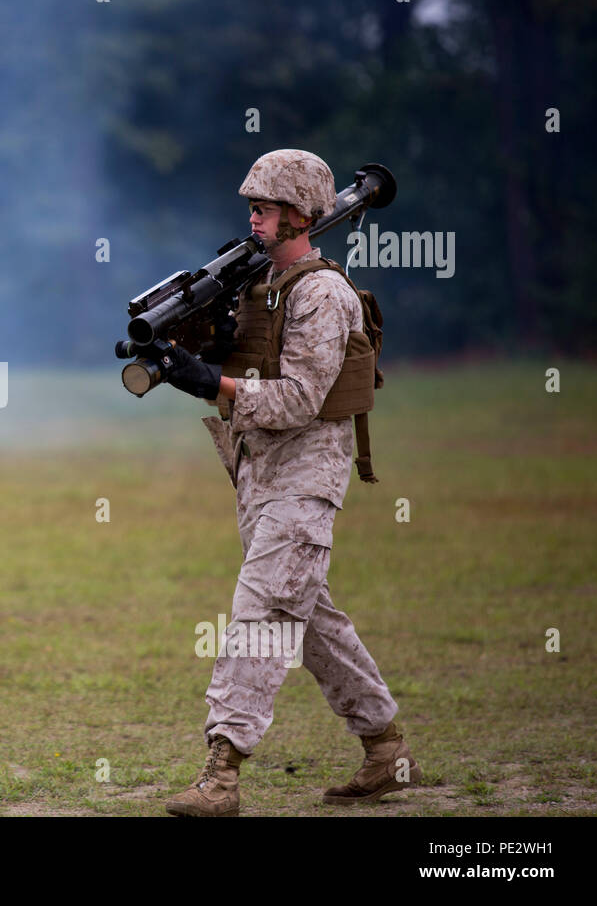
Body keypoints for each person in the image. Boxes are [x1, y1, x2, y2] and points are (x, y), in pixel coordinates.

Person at [157, 149, 420, 817]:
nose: (253, 217)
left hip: (306, 476)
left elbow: (301, 400)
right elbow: (252, 367)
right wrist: (198, 349)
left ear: (301, 215)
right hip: (258, 473)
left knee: (263, 616)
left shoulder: (322, 294)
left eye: (265, 208)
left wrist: (209, 384)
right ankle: (387, 750)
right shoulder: (263, 288)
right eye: (252, 206)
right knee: (311, 621)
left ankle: (222, 775)